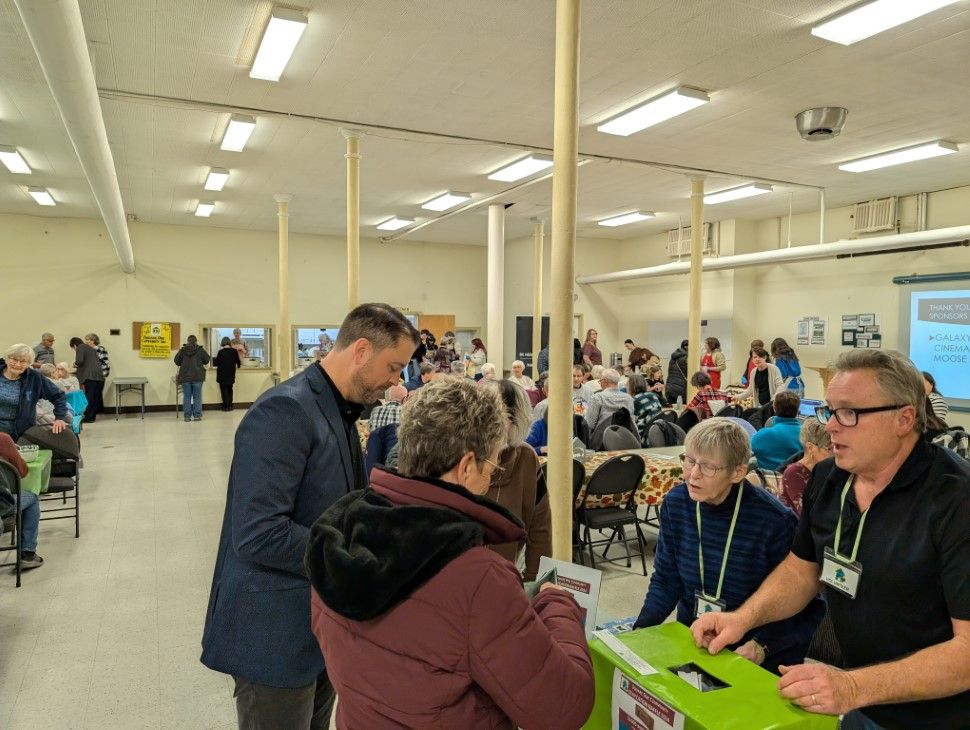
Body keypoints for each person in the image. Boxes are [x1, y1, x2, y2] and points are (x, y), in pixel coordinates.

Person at [691, 349, 970, 728]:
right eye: (828, 410)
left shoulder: (956, 499)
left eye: (849, 413)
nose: (831, 427)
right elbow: (802, 571)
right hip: (861, 702)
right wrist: (743, 618)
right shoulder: (828, 477)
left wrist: (853, 687)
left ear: (904, 418)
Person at [305, 378, 594, 729]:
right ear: (467, 466)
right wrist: (557, 605)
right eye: (492, 467)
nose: (490, 479)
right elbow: (564, 707)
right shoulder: (479, 578)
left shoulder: (341, 532)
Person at [201, 303, 419, 729]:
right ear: (360, 349)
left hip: (320, 628)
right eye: (393, 367)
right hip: (275, 635)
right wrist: (352, 556)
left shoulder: (339, 409)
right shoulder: (285, 411)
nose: (396, 381)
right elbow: (258, 534)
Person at [633, 419, 823, 674]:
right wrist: (639, 632)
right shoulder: (677, 504)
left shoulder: (774, 522)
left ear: (737, 472)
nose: (693, 474)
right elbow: (667, 580)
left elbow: (809, 604)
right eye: (689, 460)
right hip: (696, 640)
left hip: (756, 655)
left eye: (708, 467)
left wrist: (760, 646)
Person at [485, 380, 552, 581]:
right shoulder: (459, 455)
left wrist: (535, 581)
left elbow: (540, 528)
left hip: (502, 579)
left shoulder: (526, 458)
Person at [0, 344, 69, 442]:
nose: (18, 364)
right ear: (6, 359)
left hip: (21, 434)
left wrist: (59, 418)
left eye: (23, 361)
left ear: (29, 364)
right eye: (14, 359)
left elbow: (58, 395)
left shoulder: (34, 378)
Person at [0, 432, 44, 569]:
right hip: (3, 506)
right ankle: (27, 553)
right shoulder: (3, 439)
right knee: (32, 498)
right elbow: (22, 471)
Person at [779, 418, 831, 517]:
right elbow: (811, 515)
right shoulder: (794, 474)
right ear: (810, 448)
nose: (835, 453)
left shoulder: (828, 469)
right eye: (830, 448)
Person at [751, 391, 803, 471]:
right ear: (798, 411)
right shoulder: (806, 436)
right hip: (794, 481)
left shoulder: (763, 435)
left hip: (767, 481)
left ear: (774, 408)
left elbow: (745, 452)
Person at [585, 368, 637, 438]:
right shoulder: (629, 399)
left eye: (600, 381)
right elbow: (632, 423)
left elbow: (589, 424)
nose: (600, 384)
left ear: (605, 381)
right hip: (624, 439)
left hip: (601, 442)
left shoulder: (597, 398)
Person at [174, 335, 210, 422]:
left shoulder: (182, 350)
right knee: (197, 397)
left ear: (187, 341)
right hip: (198, 377)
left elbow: (176, 361)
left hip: (185, 377)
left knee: (187, 397)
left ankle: (187, 417)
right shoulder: (200, 350)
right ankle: (197, 416)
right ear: (196, 341)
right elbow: (207, 360)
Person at [70, 336, 104, 423]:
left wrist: (75, 364)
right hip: (99, 375)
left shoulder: (80, 347)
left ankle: (88, 417)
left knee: (89, 396)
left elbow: (79, 361)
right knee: (95, 396)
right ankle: (92, 416)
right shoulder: (90, 348)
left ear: (74, 345)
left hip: (89, 376)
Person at [212, 337, 240, 411]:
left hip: (222, 375)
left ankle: (225, 406)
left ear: (222, 343)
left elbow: (216, 363)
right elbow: (238, 362)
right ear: (229, 343)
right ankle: (230, 406)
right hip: (231, 374)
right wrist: (238, 366)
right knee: (230, 389)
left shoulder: (220, 352)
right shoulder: (234, 351)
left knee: (223, 390)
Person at [666, 339, 689, 405]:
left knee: (672, 408)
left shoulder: (674, 356)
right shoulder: (686, 357)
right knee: (682, 409)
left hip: (670, 386)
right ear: (686, 347)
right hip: (681, 388)